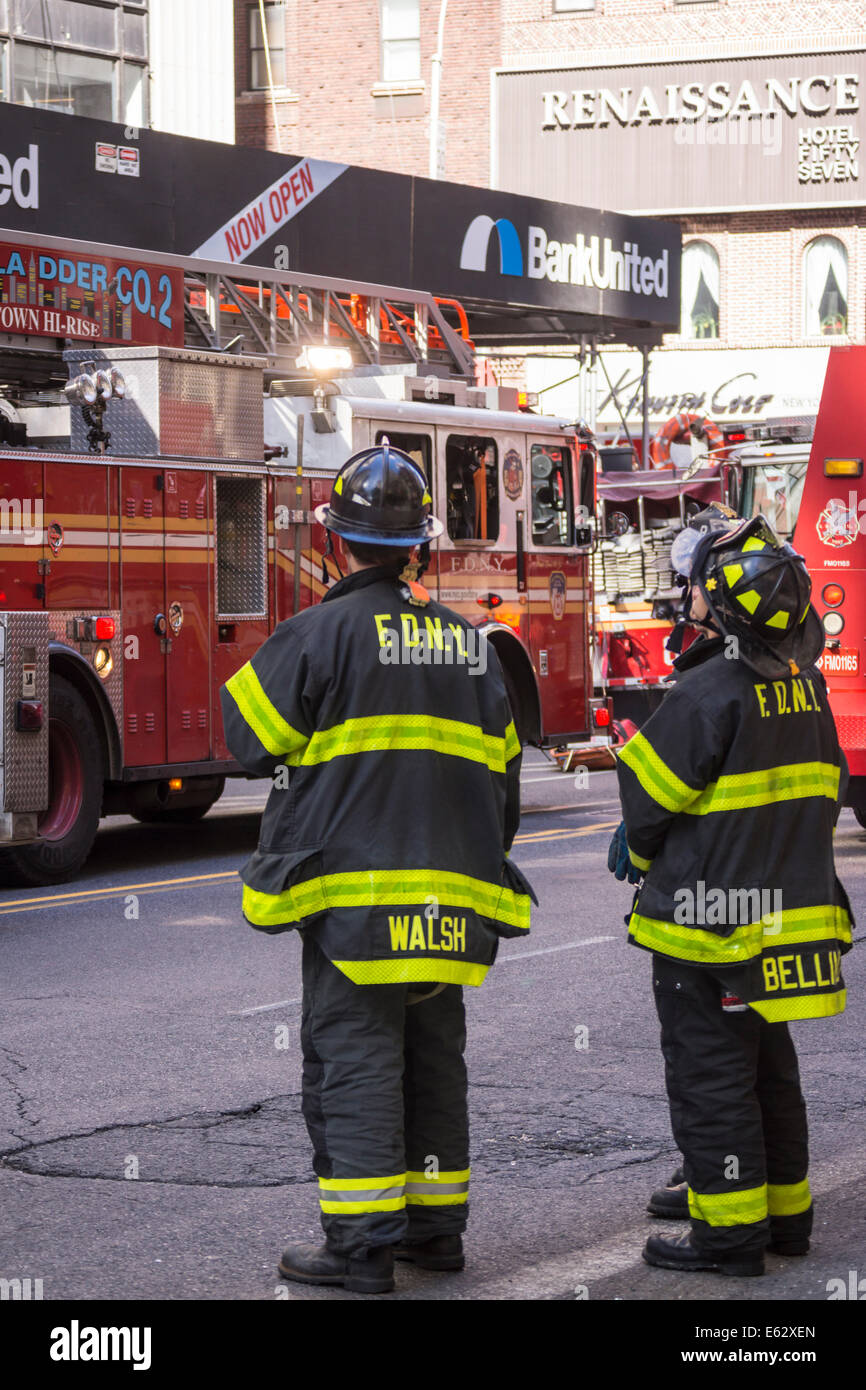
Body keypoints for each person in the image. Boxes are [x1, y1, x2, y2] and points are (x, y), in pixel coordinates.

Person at [220, 442, 534, 1294]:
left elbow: (246, 741)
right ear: (421, 546)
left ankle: (360, 1247)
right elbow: (502, 775)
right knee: (434, 1057)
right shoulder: (470, 647)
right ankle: (435, 1232)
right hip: (453, 898)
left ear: (336, 541)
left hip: (354, 902)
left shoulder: (319, 633)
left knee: (355, 1058)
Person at [608, 507, 853, 1277]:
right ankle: (786, 1221)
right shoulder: (807, 688)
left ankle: (729, 1237)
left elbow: (648, 802)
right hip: (782, 927)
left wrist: (640, 843)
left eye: (705, 589)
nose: (696, 598)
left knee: (713, 1076)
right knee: (769, 1071)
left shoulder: (709, 693)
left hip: (707, 928)